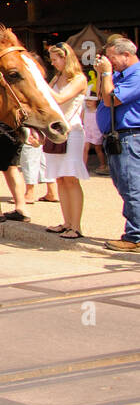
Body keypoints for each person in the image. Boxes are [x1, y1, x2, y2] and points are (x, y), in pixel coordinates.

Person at [95, 37, 140, 251]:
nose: (110, 62)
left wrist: (105, 73)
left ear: (126, 55)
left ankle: (135, 237)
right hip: (117, 137)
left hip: (130, 136)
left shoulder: (137, 75)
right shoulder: (118, 75)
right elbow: (100, 94)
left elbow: (110, 100)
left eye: (113, 58)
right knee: (125, 186)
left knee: (131, 187)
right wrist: (102, 74)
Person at [41, 42, 89, 239]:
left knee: (71, 178)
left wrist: (40, 82)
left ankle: (75, 226)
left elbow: (59, 99)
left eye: (55, 59)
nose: (53, 63)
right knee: (60, 178)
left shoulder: (78, 79)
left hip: (73, 131)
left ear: (65, 58)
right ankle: (66, 222)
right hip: (57, 131)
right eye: (51, 60)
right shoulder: (57, 77)